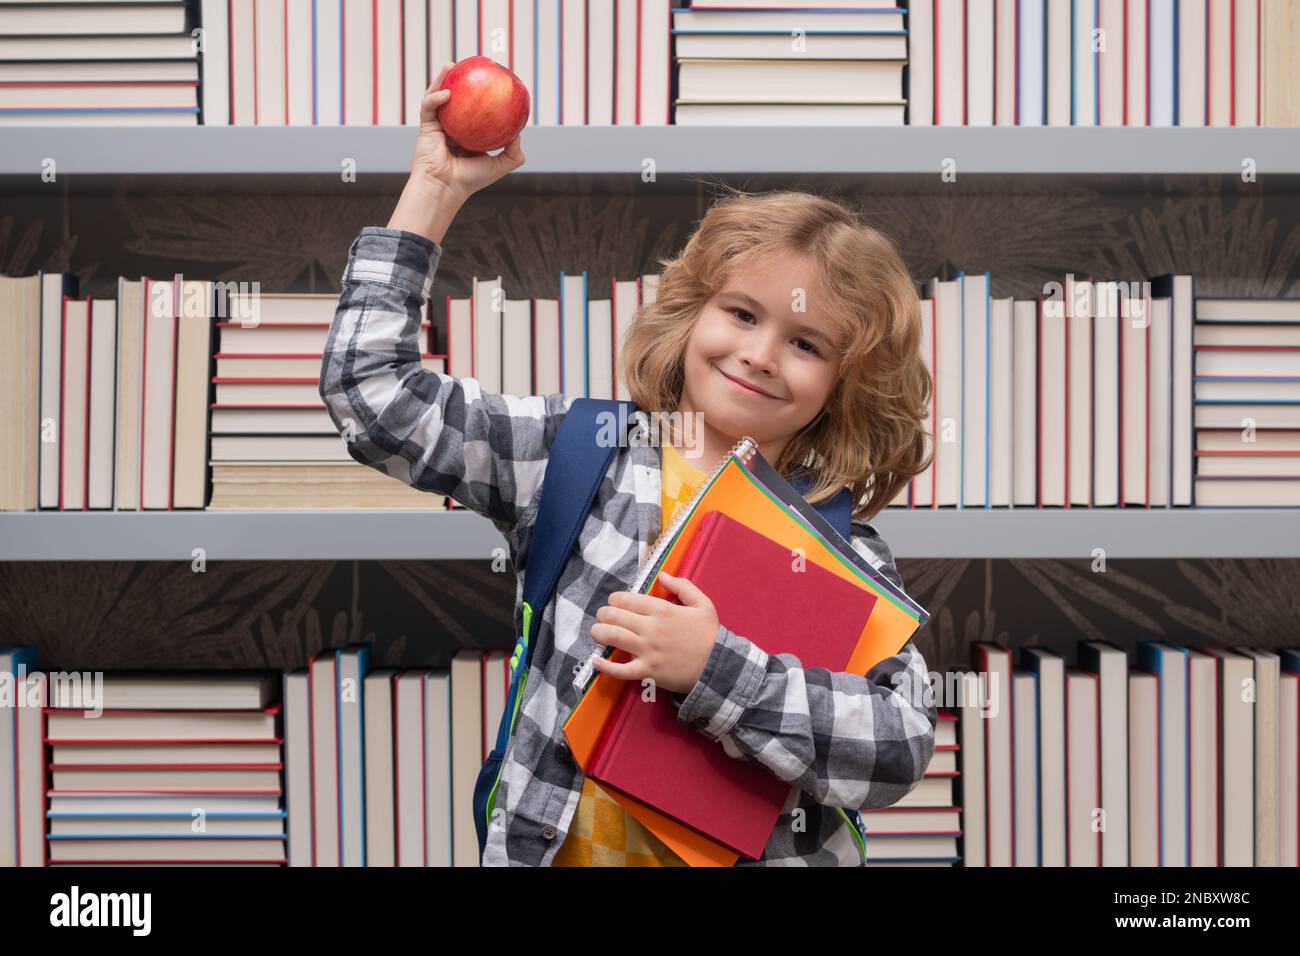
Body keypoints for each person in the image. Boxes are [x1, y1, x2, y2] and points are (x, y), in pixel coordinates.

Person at [320, 63, 937, 867]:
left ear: (841, 386)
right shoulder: (574, 454)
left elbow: (899, 748)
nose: (758, 354)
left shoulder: (839, 546)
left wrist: (716, 670)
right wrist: (434, 191)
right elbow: (372, 397)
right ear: (690, 315)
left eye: (806, 343)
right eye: (741, 313)